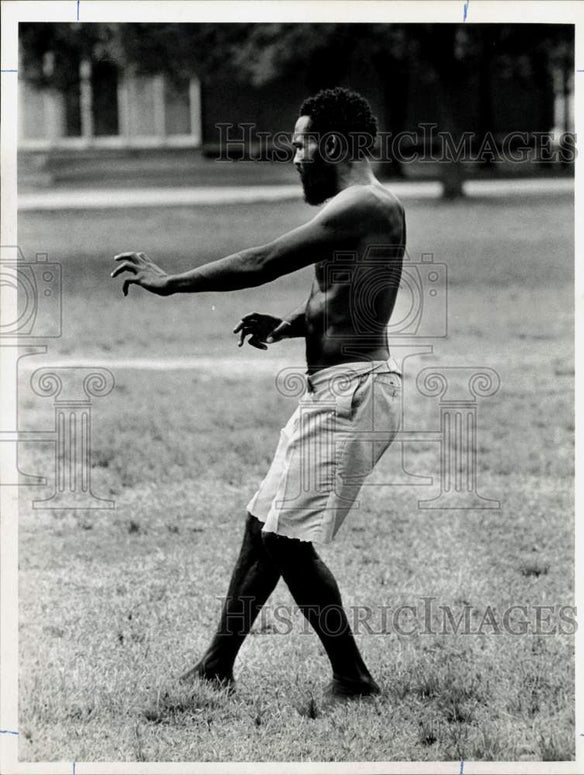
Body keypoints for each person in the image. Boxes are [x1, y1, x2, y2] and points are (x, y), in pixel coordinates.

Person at [112, 87, 406, 700]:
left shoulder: (364, 204)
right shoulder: (358, 209)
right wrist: (288, 326)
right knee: (260, 525)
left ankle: (353, 679)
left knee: (285, 541)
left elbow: (263, 260)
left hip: (352, 396)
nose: (294, 155)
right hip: (333, 390)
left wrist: (170, 283)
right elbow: (342, 297)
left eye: (301, 144)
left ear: (331, 145)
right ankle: (217, 666)